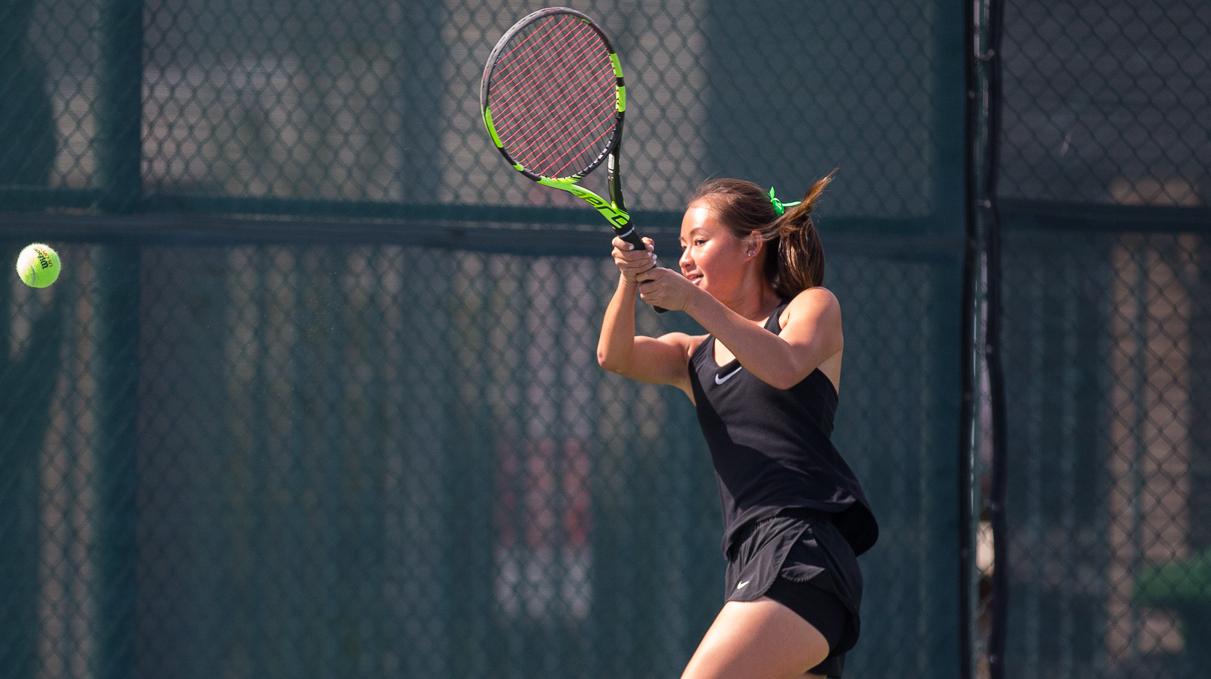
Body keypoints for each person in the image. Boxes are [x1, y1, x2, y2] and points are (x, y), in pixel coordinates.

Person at [596, 172, 878, 679]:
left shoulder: (811, 307)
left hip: (801, 545)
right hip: (748, 555)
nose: (685, 258)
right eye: (682, 245)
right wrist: (628, 277)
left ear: (751, 246)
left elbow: (785, 366)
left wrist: (691, 301)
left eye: (700, 242)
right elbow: (613, 356)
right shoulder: (692, 356)